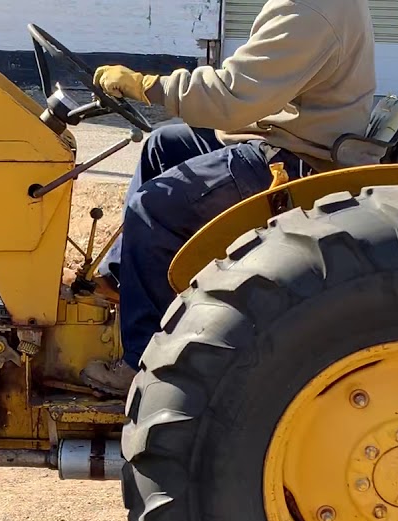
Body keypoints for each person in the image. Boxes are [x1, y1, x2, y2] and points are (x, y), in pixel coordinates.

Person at [78, 0, 377, 396]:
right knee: (163, 144)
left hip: (296, 156)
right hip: (284, 131)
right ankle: (126, 280)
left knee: (152, 209)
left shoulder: (309, 10)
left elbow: (233, 96)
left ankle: (141, 367)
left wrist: (147, 86)